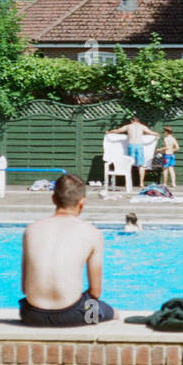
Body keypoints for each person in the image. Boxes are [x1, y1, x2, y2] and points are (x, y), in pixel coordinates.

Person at [19, 174, 115, 326]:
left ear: (53, 199)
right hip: (72, 315)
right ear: (82, 202)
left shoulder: (32, 229)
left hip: (31, 314)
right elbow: (96, 292)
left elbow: (24, 288)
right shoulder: (92, 233)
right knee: (109, 311)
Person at [108, 117, 158, 189]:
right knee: (141, 165)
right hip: (139, 145)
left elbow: (118, 130)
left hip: (132, 145)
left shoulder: (129, 126)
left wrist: (110, 131)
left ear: (132, 121)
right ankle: (141, 183)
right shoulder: (142, 126)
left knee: (129, 164)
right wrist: (157, 134)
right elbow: (150, 132)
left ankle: (128, 182)